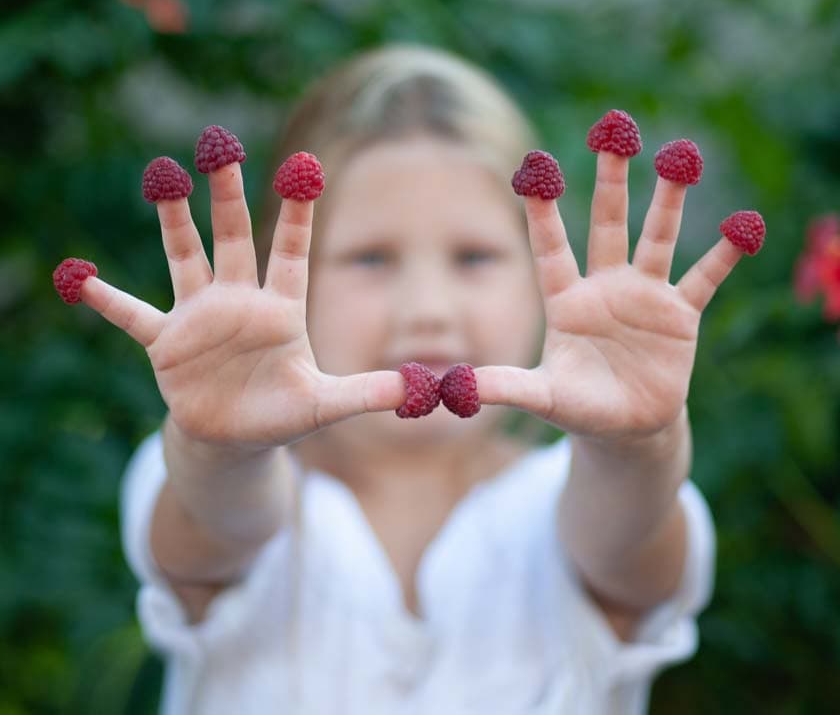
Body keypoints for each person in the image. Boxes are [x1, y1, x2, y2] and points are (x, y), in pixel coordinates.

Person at [70, 44, 745, 714]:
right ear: (286, 268)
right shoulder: (232, 487)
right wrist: (219, 447)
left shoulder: (580, 502)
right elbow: (214, 522)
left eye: (474, 256)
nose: (427, 309)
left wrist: (636, 444)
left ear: (546, 271)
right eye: (371, 258)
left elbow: (629, 536)